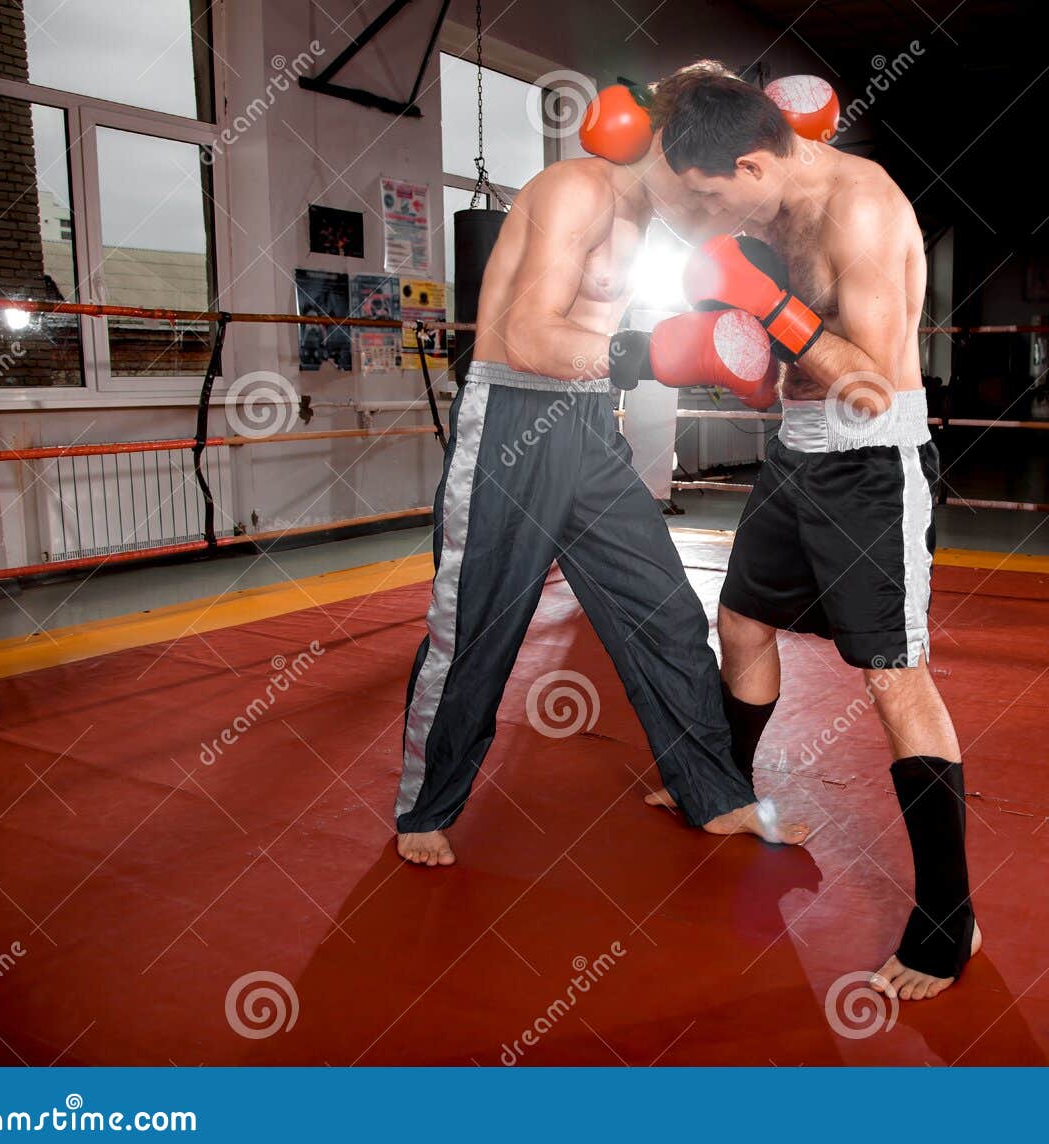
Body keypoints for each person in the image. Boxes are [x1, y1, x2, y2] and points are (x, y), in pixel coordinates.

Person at [394, 68, 808, 867]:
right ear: (676, 159)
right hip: (513, 415)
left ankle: (713, 791)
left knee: (666, 610)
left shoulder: (654, 221)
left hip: (587, 424)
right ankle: (425, 805)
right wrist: (655, 353)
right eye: (714, 193)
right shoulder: (573, 191)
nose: (716, 211)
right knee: (477, 626)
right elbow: (524, 337)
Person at [646, 70, 980, 1001]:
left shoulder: (858, 212)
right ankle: (724, 789)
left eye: (715, 195)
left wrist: (766, 308)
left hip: (871, 460)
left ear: (754, 163)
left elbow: (871, 384)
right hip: (798, 453)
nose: (712, 216)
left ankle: (950, 916)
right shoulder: (767, 191)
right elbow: (788, 353)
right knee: (743, 619)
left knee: (893, 675)